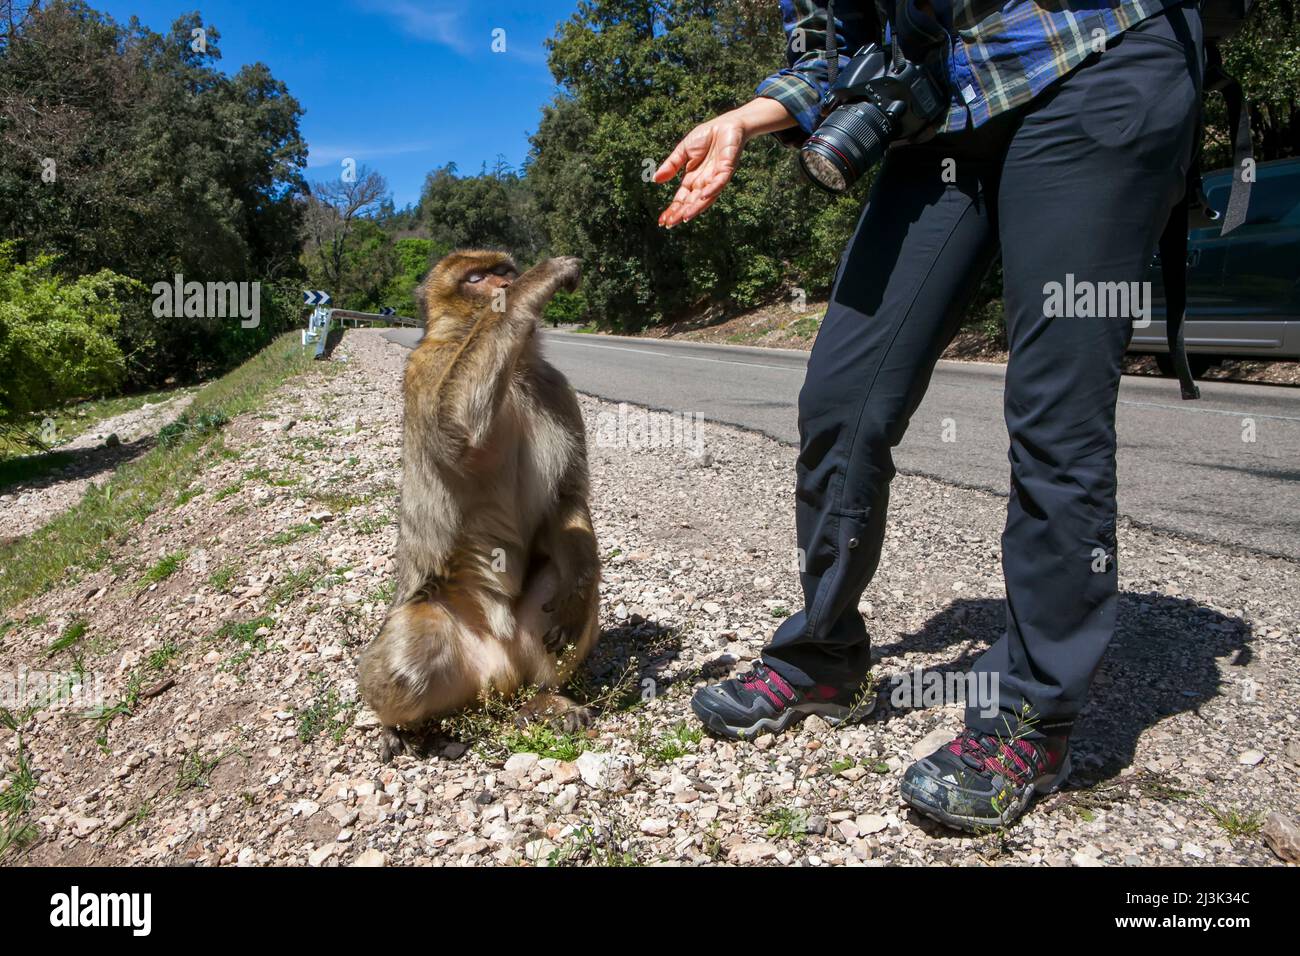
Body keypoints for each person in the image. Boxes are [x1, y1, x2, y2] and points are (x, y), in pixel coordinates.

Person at [654, 0, 1205, 831]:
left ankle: (1031, 714)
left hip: (1095, 62)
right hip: (940, 118)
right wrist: (742, 117)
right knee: (843, 396)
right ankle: (823, 655)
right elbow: (833, 50)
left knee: (1055, 411)